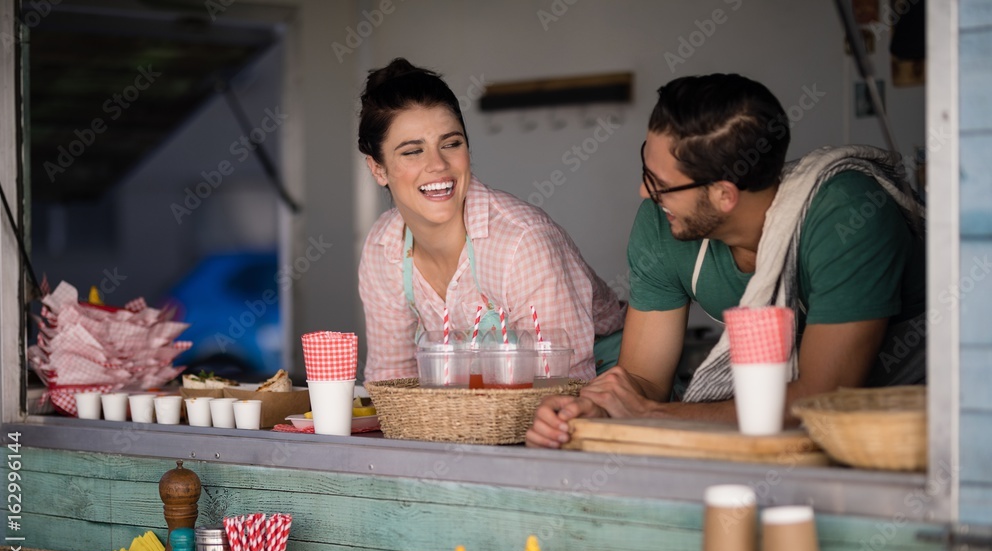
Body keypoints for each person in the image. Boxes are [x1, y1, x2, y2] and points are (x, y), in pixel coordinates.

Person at [527, 73, 926, 448]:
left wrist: (655, 415)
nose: (644, 194)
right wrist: (594, 406)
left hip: (908, 423)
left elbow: (819, 404)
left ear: (724, 194)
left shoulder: (847, 216)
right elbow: (643, 378)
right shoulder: (660, 225)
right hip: (779, 429)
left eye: (660, 185)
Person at [357, 58, 625, 382]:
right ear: (378, 169)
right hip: (491, 407)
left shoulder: (522, 243)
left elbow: (562, 388)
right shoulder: (384, 247)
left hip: (606, 385)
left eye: (451, 144)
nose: (438, 164)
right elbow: (392, 378)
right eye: (413, 151)